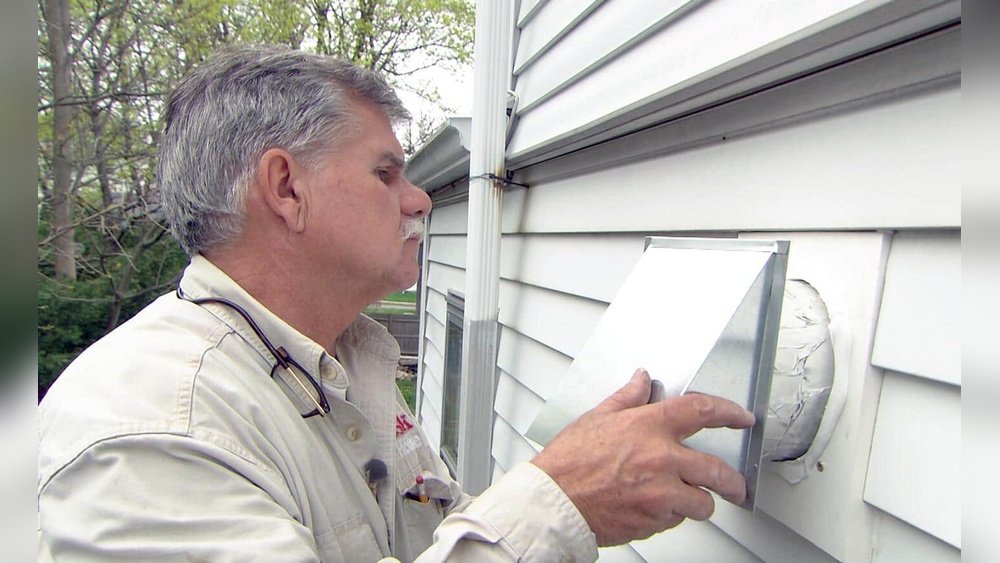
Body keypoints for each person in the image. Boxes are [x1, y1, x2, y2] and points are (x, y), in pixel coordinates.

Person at [38, 45, 755, 562]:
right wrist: (557, 503)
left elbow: (431, 536)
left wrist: (584, 486)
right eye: (385, 171)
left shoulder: (338, 367)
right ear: (286, 188)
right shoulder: (155, 428)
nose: (416, 199)